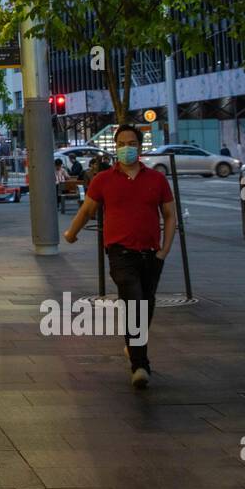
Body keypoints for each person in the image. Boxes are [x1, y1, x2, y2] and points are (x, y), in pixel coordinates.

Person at [62, 124, 176, 390]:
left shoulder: (156, 180)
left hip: (151, 254)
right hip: (120, 253)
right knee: (134, 301)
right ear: (116, 148)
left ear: (140, 146)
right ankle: (140, 365)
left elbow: (170, 215)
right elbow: (88, 209)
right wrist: (71, 233)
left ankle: (132, 345)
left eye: (132, 143)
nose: (127, 148)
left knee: (146, 305)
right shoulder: (103, 179)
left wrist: (165, 250)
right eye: (122, 143)